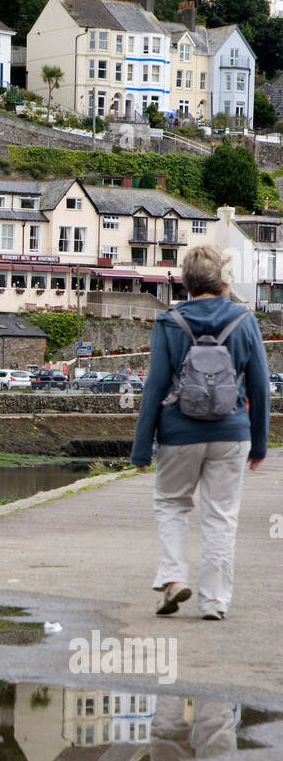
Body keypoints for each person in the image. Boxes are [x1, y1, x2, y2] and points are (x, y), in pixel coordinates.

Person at [130, 245, 270, 620]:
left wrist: (141, 449)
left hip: (178, 431)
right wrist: (260, 443)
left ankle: (174, 580)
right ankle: (214, 602)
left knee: (172, 503)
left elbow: (155, 386)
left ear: (186, 282)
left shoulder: (169, 321)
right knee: (221, 516)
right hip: (232, 433)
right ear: (222, 279)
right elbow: (259, 385)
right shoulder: (244, 320)